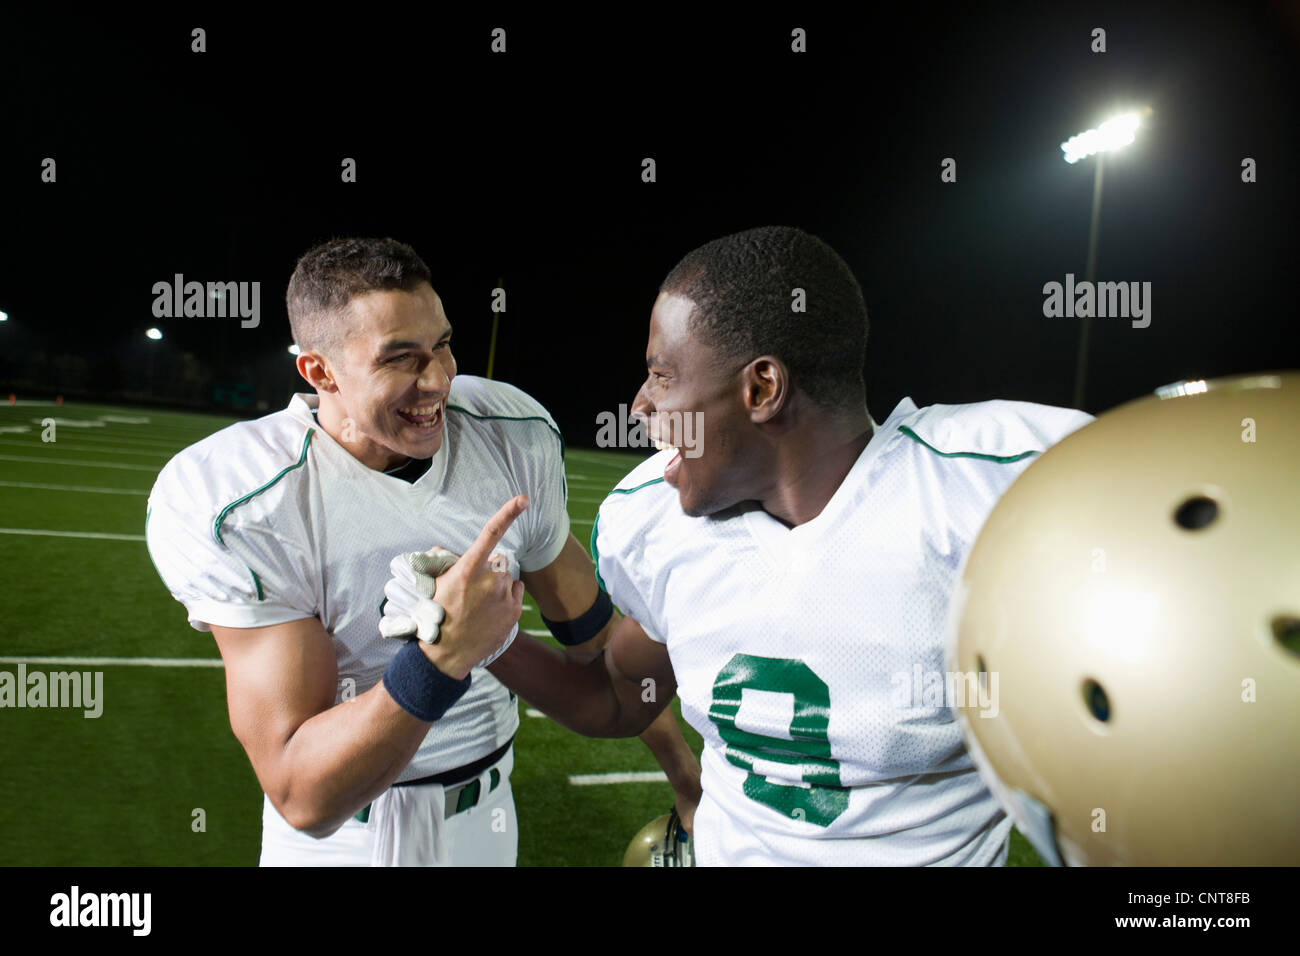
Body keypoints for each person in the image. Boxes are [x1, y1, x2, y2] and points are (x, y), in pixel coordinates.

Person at [473, 225, 1095, 865]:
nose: (639, 406)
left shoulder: (981, 492)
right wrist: (488, 641)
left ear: (761, 389)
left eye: (661, 376)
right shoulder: (656, 525)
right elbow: (617, 695)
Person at [145, 237, 699, 866]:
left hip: (488, 816)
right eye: (401, 358)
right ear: (321, 372)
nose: (437, 379)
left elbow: (605, 667)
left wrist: (687, 778)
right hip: (345, 840)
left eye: (441, 345)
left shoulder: (508, 436)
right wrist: (441, 659)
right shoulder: (248, 500)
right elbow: (303, 793)